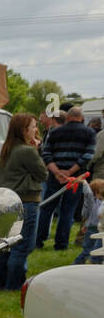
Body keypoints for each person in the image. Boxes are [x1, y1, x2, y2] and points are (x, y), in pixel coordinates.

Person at [0, 113, 48, 291]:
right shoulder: (26, 150)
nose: (35, 130)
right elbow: (42, 174)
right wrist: (36, 149)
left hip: (8, 201)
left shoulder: (7, 148)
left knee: (4, 245)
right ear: (24, 130)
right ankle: (14, 286)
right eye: (33, 126)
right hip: (26, 201)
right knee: (21, 246)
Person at [36, 106, 96, 250]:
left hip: (54, 176)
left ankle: (38, 240)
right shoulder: (89, 132)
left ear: (67, 118)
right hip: (76, 177)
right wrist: (69, 172)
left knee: (47, 208)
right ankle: (61, 243)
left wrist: (57, 172)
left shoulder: (55, 132)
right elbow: (87, 156)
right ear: (82, 118)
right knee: (67, 210)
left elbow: (46, 153)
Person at [75, 179, 104, 264]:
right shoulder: (91, 200)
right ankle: (76, 264)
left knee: (98, 249)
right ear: (96, 192)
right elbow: (87, 193)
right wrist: (84, 183)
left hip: (99, 228)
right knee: (88, 250)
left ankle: (95, 264)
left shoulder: (102, 201)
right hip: (92, 228)